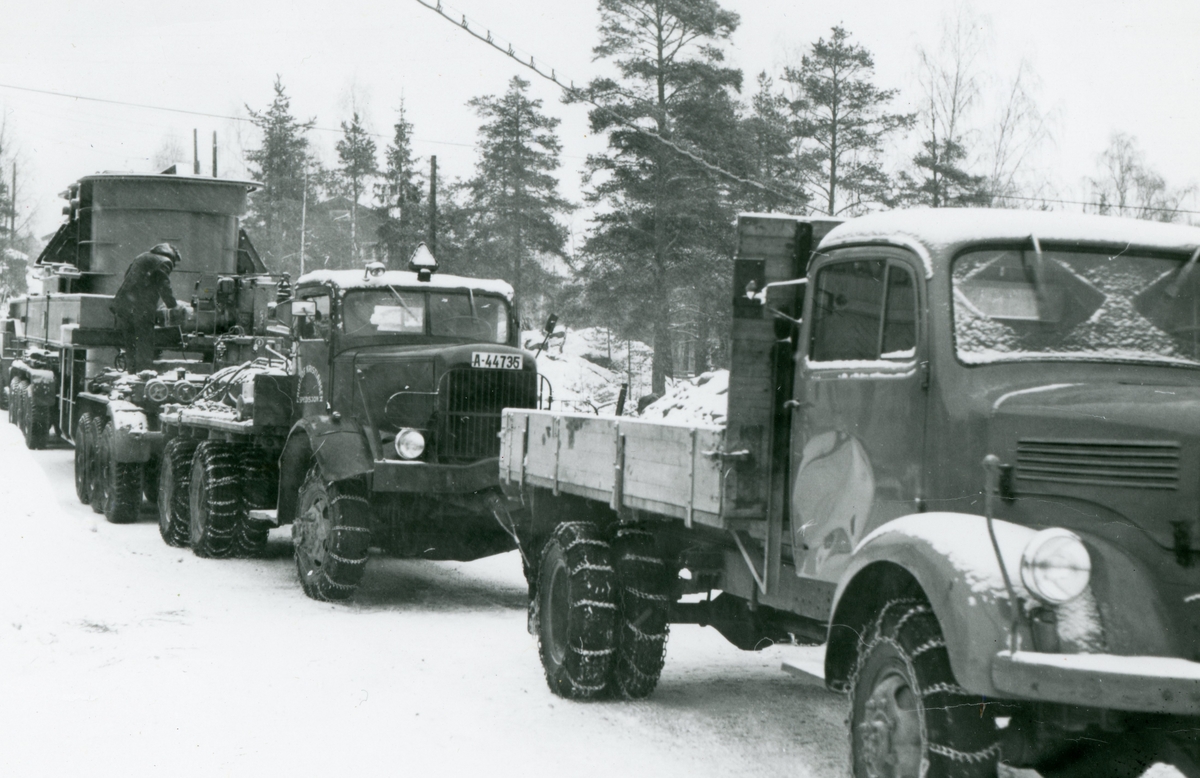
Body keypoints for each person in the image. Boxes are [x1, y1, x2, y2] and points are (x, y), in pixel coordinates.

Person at [111, 243, 181, 373]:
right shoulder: (165, 261)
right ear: (173, 256)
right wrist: (173, 306)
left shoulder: (142, 256)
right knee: (144, 343)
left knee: (131, 343)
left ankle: (132, 373)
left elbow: (127, 276)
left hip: (124, 305)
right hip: (141, 308)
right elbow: (164, 285)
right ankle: (144, 375)